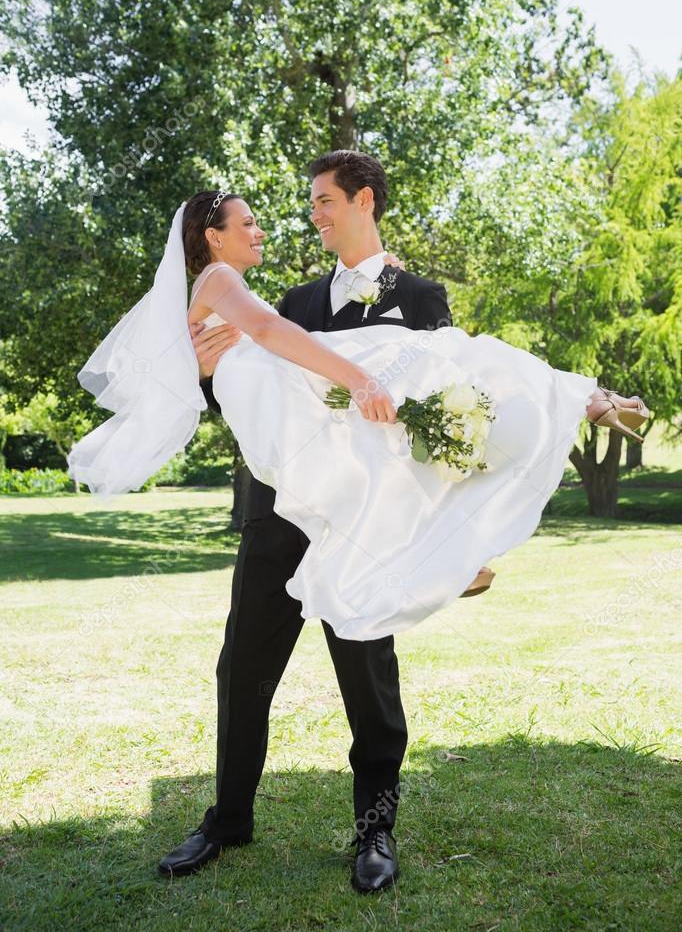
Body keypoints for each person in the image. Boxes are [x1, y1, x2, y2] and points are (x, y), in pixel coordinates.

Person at [68, 150, 649, 893]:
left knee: (367, 677)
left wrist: (448, 523)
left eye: (322, 199)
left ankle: (375, 827)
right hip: (277, 514)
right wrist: (205, 373)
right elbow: (255, 394)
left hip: (368, 522)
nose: (309, 214)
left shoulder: (421, 294)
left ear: (363, 200)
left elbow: (466, 395)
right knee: (242, 669)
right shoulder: (290, 298)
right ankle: (226, 820)